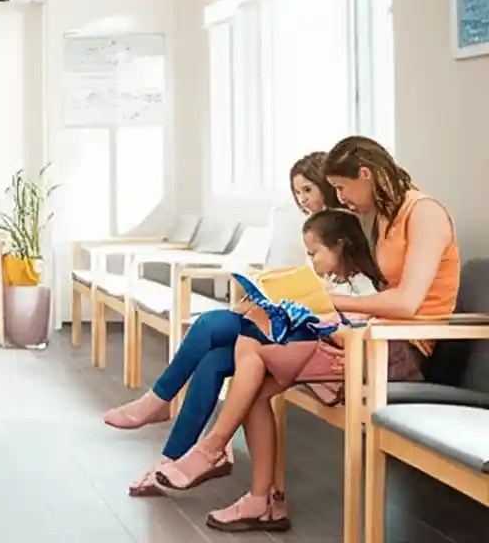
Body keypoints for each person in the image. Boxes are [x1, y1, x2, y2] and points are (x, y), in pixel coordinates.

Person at [156, 136, 460, 532]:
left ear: (365, 174)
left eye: (342, 187)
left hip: (398, 350)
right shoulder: (386, 215)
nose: (340, 197)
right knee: (252, 344)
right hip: (367, 334)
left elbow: (405, 304)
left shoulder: (425, 214)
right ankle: (256, 494)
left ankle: (221, 459)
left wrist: (326, 301)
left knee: (254, 350)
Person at [105, 152, 341, 497]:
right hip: (289, 321)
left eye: (308, 189)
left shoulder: (339, 229)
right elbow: (295, 277)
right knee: (212, 361)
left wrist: (277, 303)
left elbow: (328, 291)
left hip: (307, 331)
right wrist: (263, 297)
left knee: (210, 325)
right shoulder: (309, 228)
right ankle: (168, 462)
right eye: (298, 193)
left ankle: (158, 403)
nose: (303, 199)